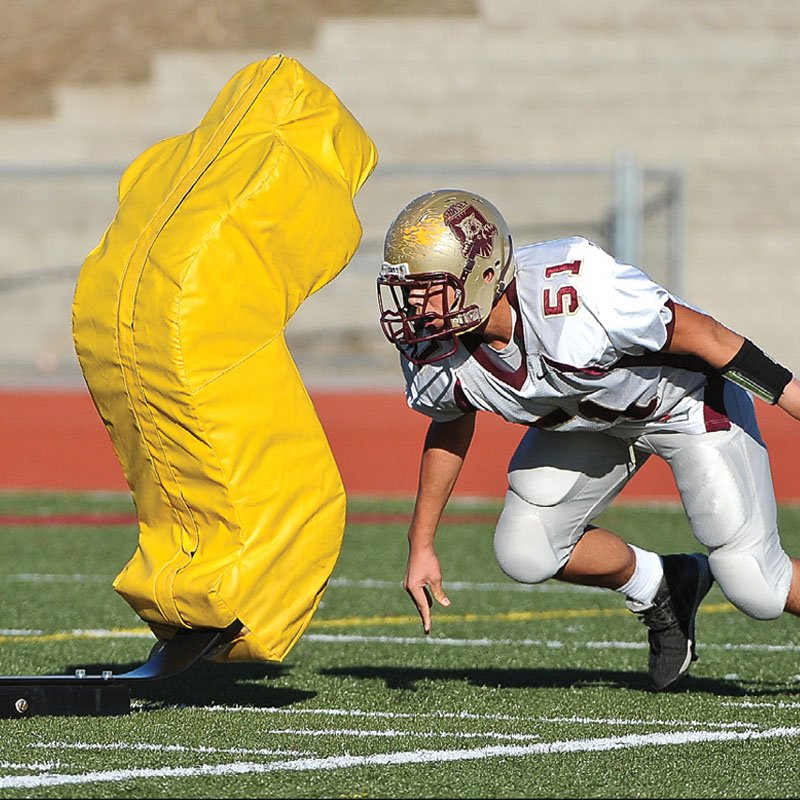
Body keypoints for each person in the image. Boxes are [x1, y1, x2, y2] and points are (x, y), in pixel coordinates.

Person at [375, 188, 800, 691]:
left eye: (431, 288)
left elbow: (707, 337)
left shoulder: (572, 292)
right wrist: (420, 542)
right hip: (594, 424)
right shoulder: (435, 346)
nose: (417, 308)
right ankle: (663, 586)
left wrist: (792, 399)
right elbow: (451, 417)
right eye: (409, 291)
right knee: (526, 550)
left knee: (756, 585)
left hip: (685, 404)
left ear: (486, 276)